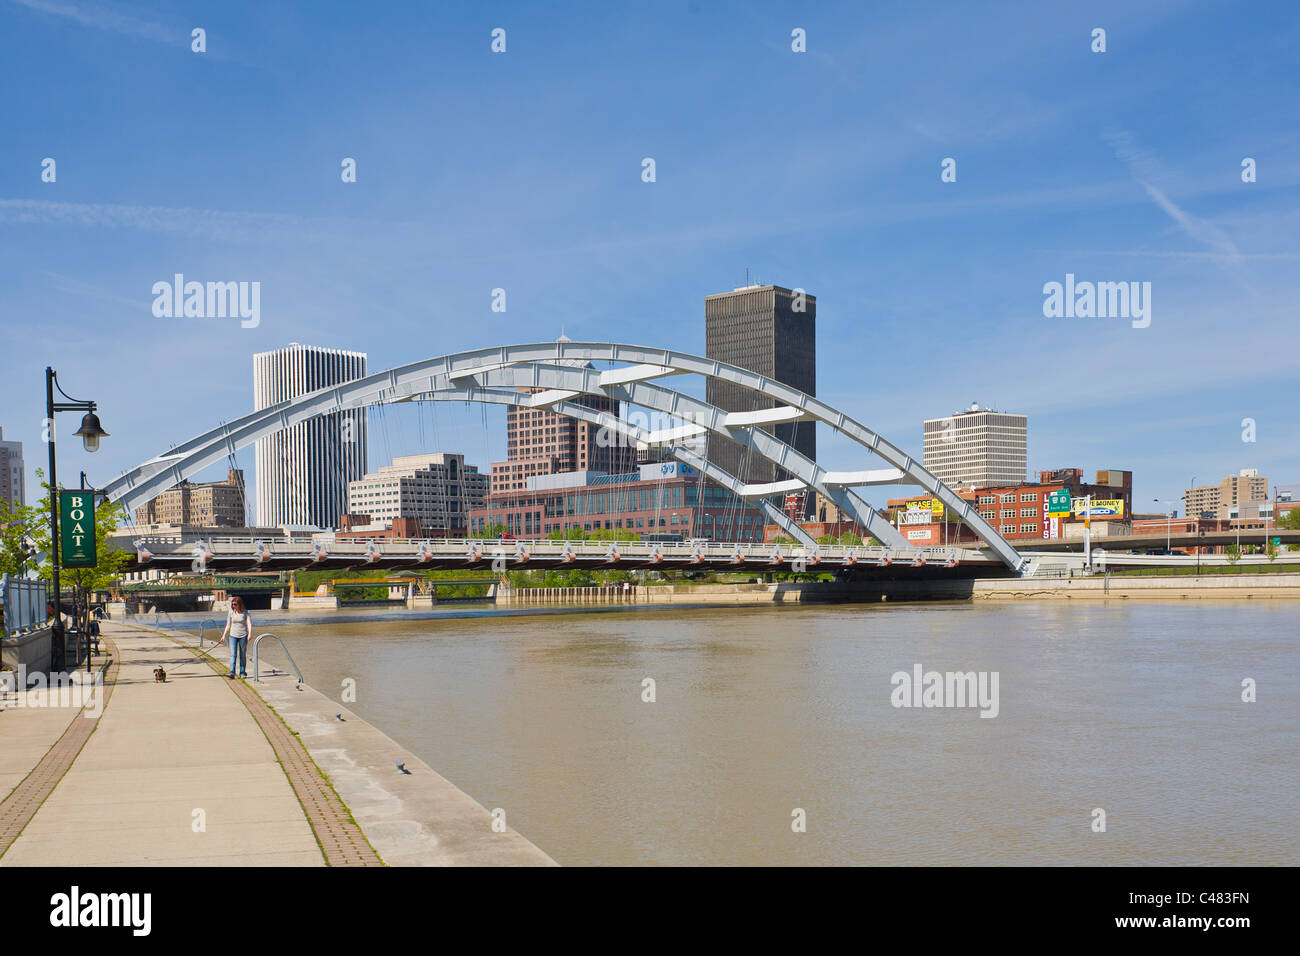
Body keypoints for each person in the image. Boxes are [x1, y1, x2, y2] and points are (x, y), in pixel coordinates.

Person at [218, 596, 251, 679]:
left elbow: (249, 624)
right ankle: (232, 672)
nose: (233, 606)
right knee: (233, 654)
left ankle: (242, 673)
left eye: (235, 604)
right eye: (232, 604)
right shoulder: (231, 612)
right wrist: (223, 636)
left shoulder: (246, 612)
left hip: (243, 636)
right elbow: (228, 625)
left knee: (242, 655)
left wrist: (250, 634)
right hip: (233, 636)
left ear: (239, 604)